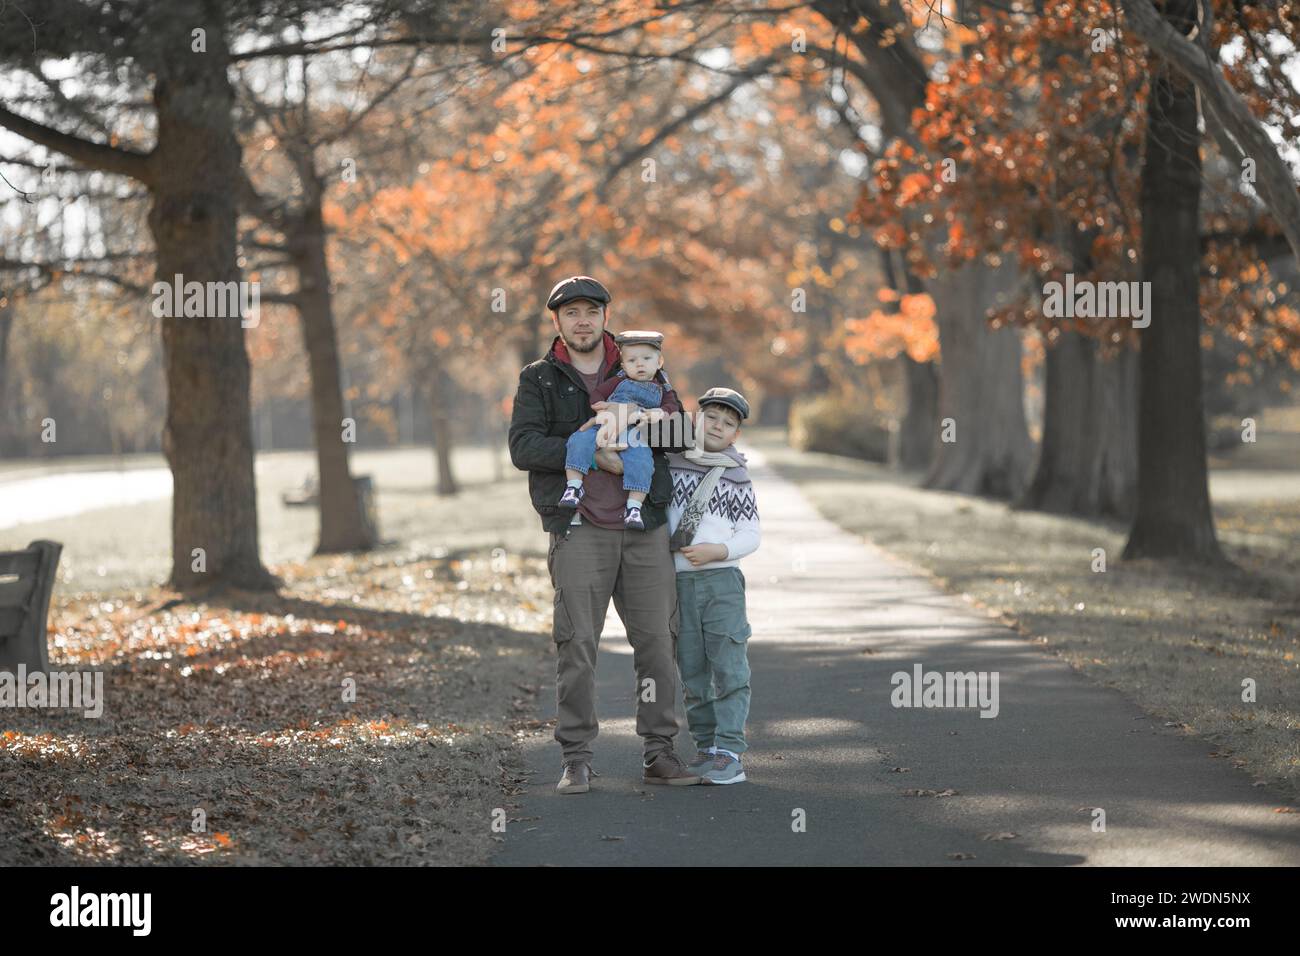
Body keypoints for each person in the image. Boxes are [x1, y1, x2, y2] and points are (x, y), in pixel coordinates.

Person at [508, 275, 700, 793]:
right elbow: (524, 448)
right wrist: (594, 455)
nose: (582, 320)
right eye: (571, 312)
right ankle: (576, 757)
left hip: (645, 525)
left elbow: (681, 433)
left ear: (605, 316)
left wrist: (636, 420)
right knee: (577, 644)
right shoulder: (539, 379)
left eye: (591, 310)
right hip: (578, 527)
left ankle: (659, 753)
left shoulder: (641, 364)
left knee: (659, 642)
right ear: (558, 321)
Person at [665, 388, 760, 785]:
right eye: (711, 418)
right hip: (679, 585)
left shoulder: (736, 476)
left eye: (728, 423)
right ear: (695, 419)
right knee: (692, 670)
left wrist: (719, 550)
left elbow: (751, 533)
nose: (718, 427)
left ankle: (730, 752)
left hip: (721, 581)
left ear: (735, 434)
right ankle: (705, 748)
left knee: (728, 665)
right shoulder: (669, 464)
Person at [558, 331, 671, 531]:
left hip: (634, 432)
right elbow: (598, 393)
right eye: (632, 360)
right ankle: (573, 487)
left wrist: (660, 412)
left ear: (659, 361)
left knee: (642, 462)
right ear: (623, 365)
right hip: (605, 423)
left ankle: (634, 508)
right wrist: (599, 405)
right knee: (579, 440)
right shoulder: (618, 380)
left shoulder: (664, 388)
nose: (640, 364)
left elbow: (672, 408)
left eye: (646, 359)